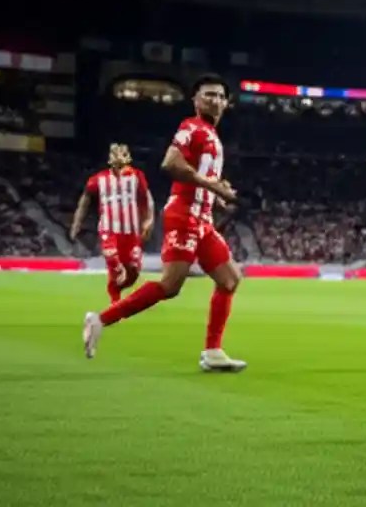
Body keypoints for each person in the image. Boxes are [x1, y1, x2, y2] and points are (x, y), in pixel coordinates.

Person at [82, 75, 246, 372]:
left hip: (202, 219)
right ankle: (100, 319)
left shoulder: (211, 135)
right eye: (209, 95)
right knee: (170, 286)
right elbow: (171, 164)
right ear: (195, 100)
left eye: (221, 96)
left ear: (227, 103)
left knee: (230, 279)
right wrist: (213, 187)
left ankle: (213, 351)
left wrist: (216, 192)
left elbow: (198, 176)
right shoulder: (191, 127)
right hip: (184, 216)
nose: (215, 100)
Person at [70, 143, 153, 303]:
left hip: (131, 232)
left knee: (133, 271)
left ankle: (117, 290)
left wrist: (149, 221)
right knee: (112, 259)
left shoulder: (137, 176)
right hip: (109, 229)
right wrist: (76, 223)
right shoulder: (99, 179)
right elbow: (85, 199)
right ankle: (115, 301)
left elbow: (148, 199)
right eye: (115, 155)